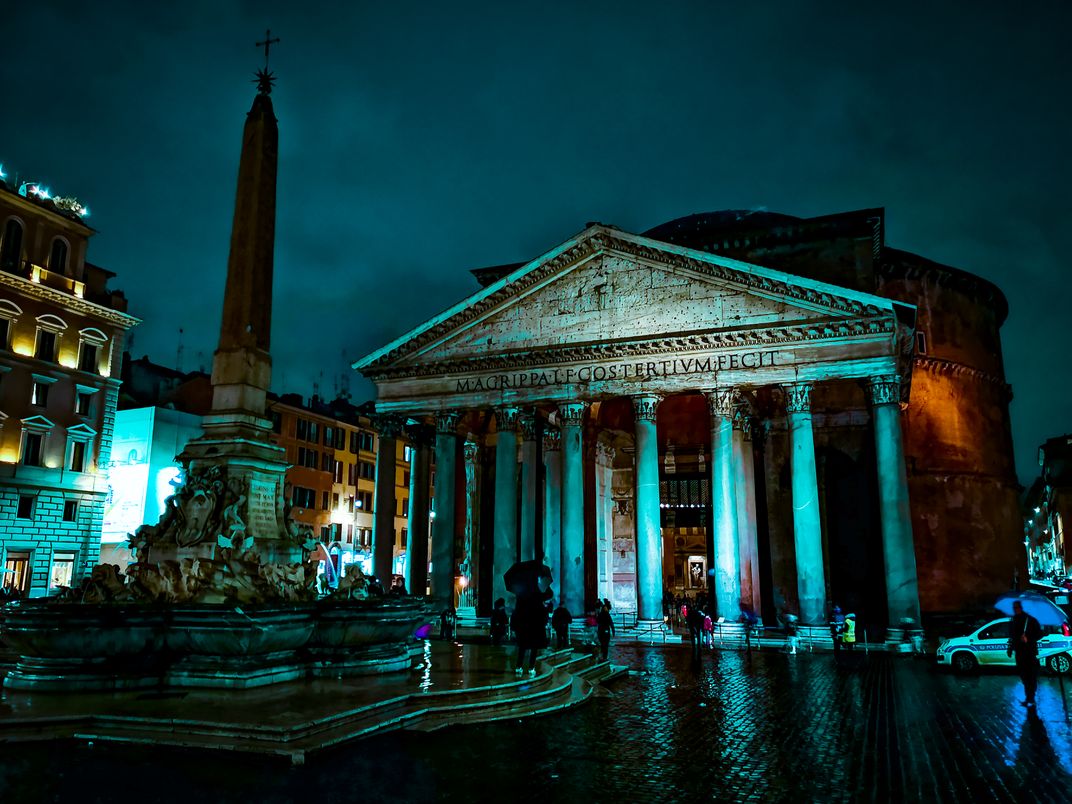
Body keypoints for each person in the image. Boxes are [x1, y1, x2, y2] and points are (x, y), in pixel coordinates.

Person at [1007, 600, 1042, 707]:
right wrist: (1010, 647)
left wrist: (1029, 639)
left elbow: (1040, 634)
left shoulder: (1031, 620)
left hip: (1030, 653)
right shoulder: (1013, 620)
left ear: (1022, 608)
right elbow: (1013, 636)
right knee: (1023, 676)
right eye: (1014, 608)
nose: (1015, 610)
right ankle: (1028, 697)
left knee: (1031, 676)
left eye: (1017, 607)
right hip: (1020, 653)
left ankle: (1031, 698)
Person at [512, 593, 549, 676]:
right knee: (533, 650)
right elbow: (544, 619)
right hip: (535, 631)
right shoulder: (540, 607)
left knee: (522, 649)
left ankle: (519, 667)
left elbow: (517, 616)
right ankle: (531, 667)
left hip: (525, 631)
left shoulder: (523, 606)